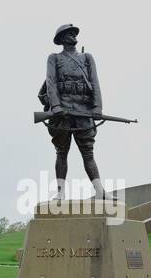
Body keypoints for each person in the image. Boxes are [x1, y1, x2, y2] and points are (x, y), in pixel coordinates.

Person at [41, 23, 107, 199]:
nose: (73, 35)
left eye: (74, 33)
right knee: (61, 152)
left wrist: (97, 107)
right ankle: (60, 193)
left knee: (88, 152)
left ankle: (100, 191)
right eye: (69, 33)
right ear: (62, 39)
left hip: (83, 110)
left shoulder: (87, 58)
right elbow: (51, 83)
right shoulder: (53, 58)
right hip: (62, 111)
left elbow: (95, 82)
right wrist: (55, 106)